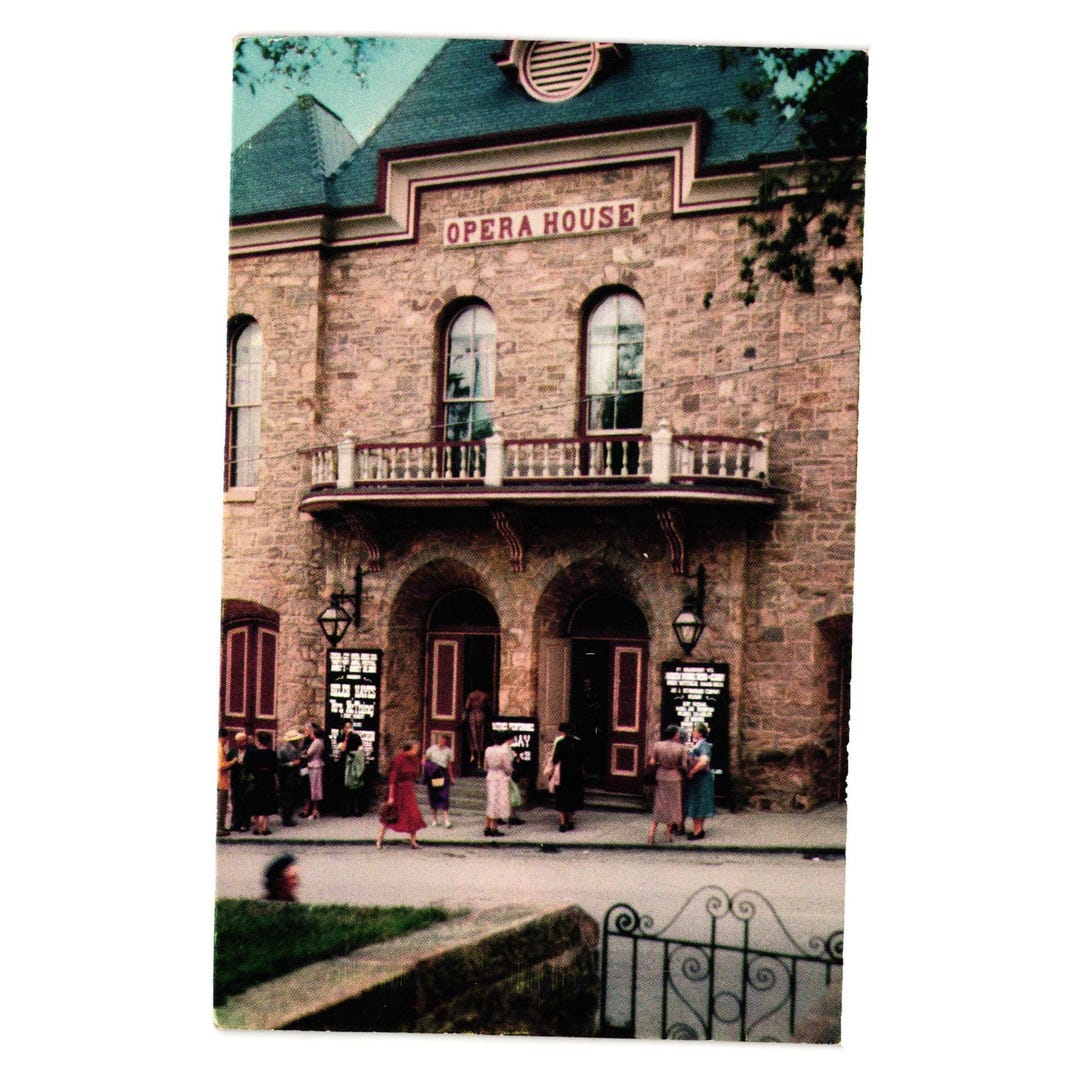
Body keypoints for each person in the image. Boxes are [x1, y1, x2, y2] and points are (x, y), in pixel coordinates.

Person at [375, 740, 426, 849]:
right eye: (415, 749)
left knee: (413, 814)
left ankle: (413, 841)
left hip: (409, 790)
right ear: (409, 749)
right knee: (390, 815)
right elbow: (392, 778)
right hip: (398, 789)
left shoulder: (415, 760)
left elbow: (415, 775)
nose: (417, 751)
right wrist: (391, 796)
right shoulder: (398, 759)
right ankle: (379, 838)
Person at [647, 725, 689, 844]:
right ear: (675, 735)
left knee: (659, 804)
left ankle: (651, 835)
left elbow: (652, 762)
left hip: (661, 775)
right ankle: (667, 835)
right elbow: (685, 766)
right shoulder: (682, 748)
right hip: (675, 777)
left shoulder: (657, 745)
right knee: (673, 806)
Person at [684, 722, 716, 840]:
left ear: (700, 733)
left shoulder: (703, 746)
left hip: (700, 777)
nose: (693, 733)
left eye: (695, 731)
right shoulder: (700, 745)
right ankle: (699, 829)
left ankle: (697, 831)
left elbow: (704, 762)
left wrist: (692, 772)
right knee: (699, 802)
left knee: (698, 802)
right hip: (701, 777)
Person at [551, 722, 585, 832]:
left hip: (564, 772)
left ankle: (562, 823)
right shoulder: (578, 742)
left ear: (562, 732)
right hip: (576, 773)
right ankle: (570, 820)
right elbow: (583, 758)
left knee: (562, 797)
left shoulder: (560, 743)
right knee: (574, 797)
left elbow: (555, 759)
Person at [483, 732, 516, 837]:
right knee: (499, 803)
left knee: (491, 801)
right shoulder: (503, 751)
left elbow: (485, 765)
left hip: (491, 776)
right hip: (501, 777)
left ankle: (487, 827)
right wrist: (510, 772)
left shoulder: (488, 750)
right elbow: (508, 767)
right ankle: (494, 828)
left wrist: (490, 770)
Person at [248, 731, 279, 836]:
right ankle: (265, 827)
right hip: (268, 779)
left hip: (256, 778)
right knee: (266, 801)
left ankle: (256, 827)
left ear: (259, 741)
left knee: (255, 801)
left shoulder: (252, 753)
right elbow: (276, 768)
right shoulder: (272, 753)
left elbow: (248, 766)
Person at [423, 732, 454, 828]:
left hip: (443, 773)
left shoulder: (448, 751)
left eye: (444, 741)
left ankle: (446, 820)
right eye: (440, 740)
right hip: (434, 774)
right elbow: (424, 760)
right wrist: (429, 767)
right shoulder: (431, 749)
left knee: (444, 795)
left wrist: (451, 776)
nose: (441, 742)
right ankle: (434, 819)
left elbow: (449, 765)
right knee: (434, 795)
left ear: (446, 742)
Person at [337, 721, 365, 817]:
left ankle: (356, 809)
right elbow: (343, 748)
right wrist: (346, 738)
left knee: (356, 786)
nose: (348, 729)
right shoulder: (340, 737)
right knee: (345, 787)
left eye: (350, 727)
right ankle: (346, 809)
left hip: (354, 762)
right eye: (347, 727)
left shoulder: (356, 737)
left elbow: (360, 748)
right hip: (345, 763)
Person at [277, 729, 304, 826]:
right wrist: (291, 764)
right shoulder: (283, 750)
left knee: (294, 798)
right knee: (287, 798)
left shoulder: (297, 749)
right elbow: (279, 764)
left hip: (295, 776)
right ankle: (286, 818)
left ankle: (289, 817)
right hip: (287, 777)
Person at [300, 722, 326, 819]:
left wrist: (302, 755)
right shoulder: (318, 741)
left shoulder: (316, 742)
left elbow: (308, 753)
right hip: (311, 766)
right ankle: (311, 809)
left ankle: (314, 810)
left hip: (313, 765)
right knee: (310, 787)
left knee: (314, 788)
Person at [227, 731, 251, 832]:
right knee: (236, 802)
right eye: (240, 742)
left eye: (244, 741)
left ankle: (245, 823)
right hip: (235, 780)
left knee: (245, 802)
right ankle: (235, 823)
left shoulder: (251, 750)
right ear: (237, 742)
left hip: (247, 780)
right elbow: (227, 764)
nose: (243, 743)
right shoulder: (232, 751)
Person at [463, 688, 491, 772]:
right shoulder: (485, 695)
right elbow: (488, 706)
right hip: (481, 714)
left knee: (473, 735)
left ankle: (474, 758)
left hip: (472, 714)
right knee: (481, 737)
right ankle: (480, 760)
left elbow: (466, 706)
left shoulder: (471, 695)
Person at [217, 728, 236, 836]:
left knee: (221, 806)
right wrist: (233, 761)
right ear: (223, 737)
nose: (227, 740)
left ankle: (221, 826)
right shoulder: (220, 749)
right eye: (226, 738)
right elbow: (221, 766)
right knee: (221, 806)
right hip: (221, 781)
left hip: (219, 780)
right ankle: (219, 828)